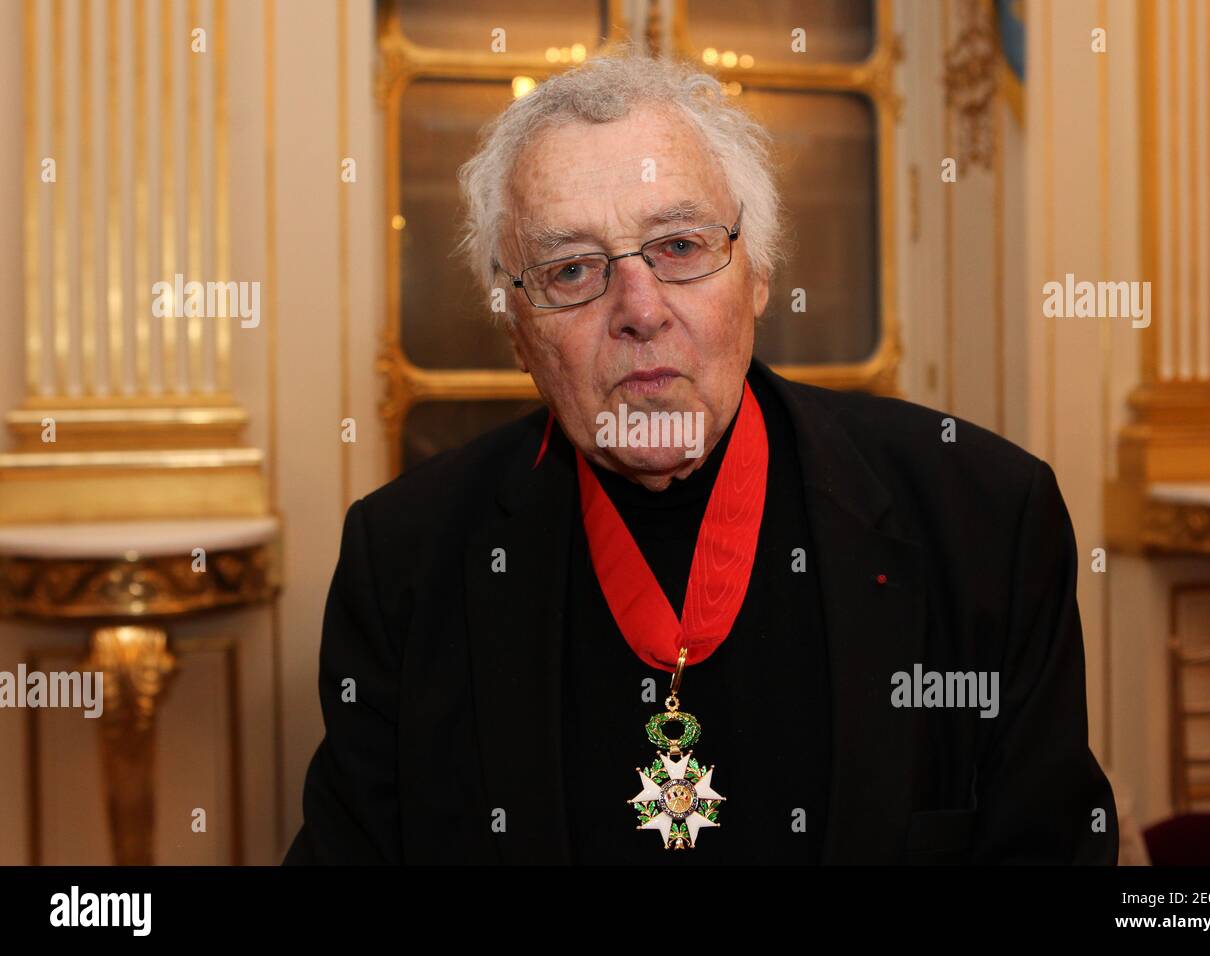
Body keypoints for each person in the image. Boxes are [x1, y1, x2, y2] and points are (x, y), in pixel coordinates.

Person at [284, 50, 1117, 865]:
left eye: (680, 247)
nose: (639, 309)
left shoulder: (984, 521)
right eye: (572, 269)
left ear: (755, 273)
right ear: (517, 329)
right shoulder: (402, 560)